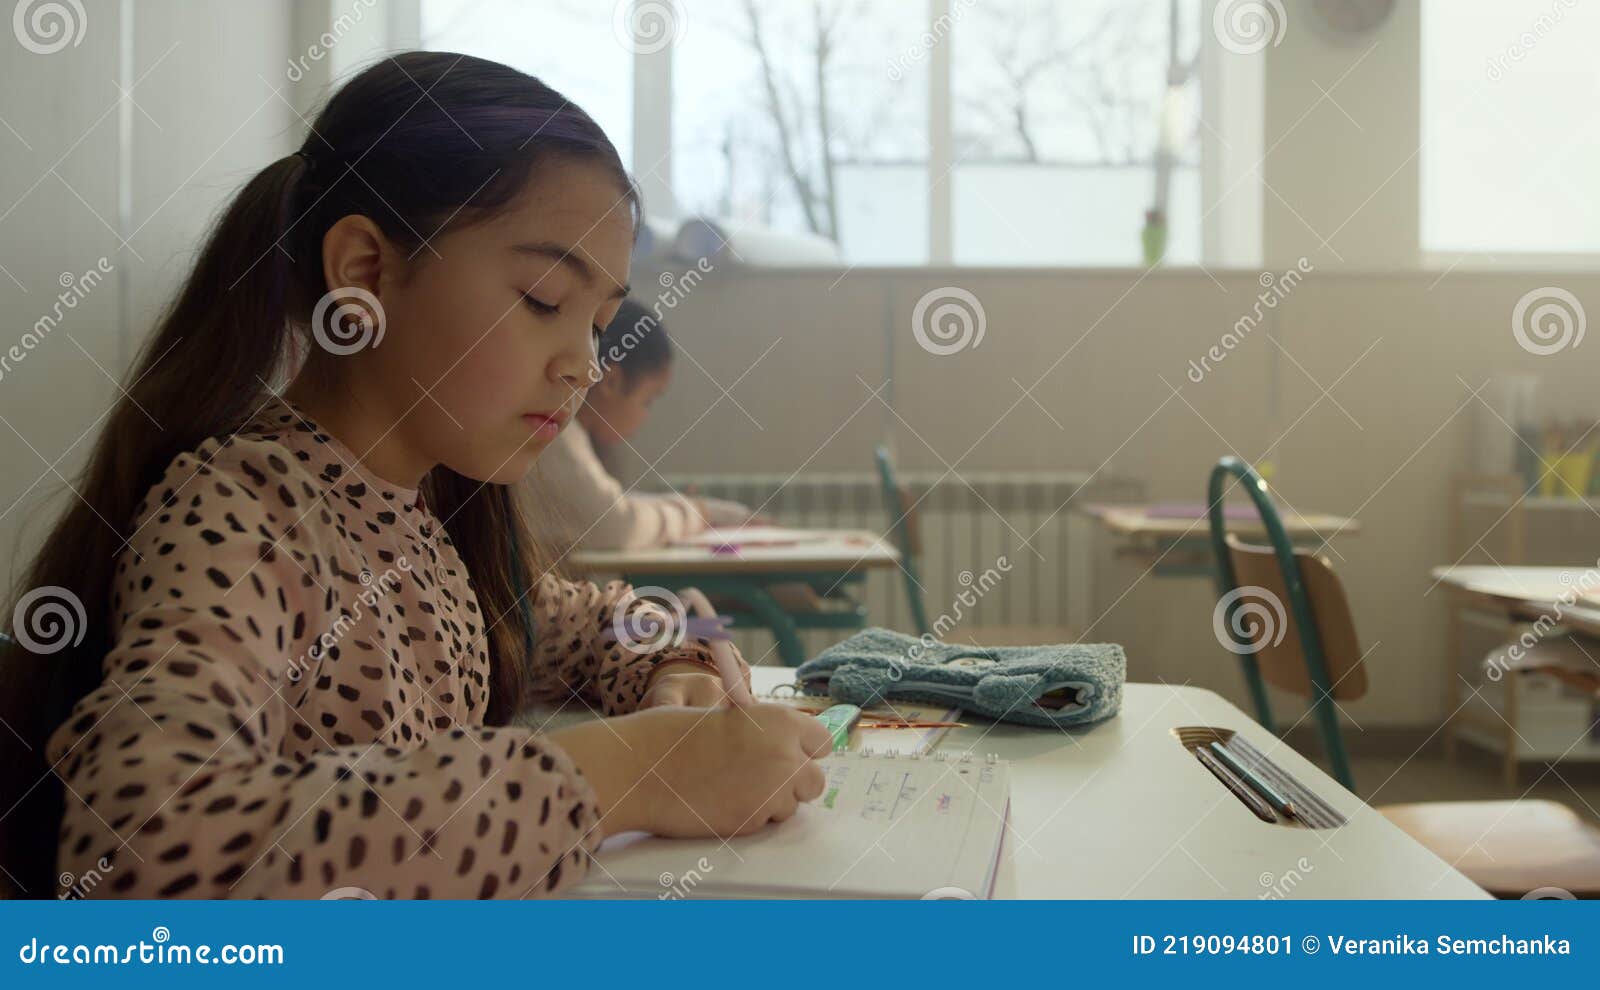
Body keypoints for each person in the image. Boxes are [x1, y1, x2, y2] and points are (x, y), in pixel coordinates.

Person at [0, 53, 829, 900]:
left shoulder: (431, 516)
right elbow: (147, 849)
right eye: (545, 299)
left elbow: (584, 620)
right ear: (364, 272)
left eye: (602, 322)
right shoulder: (243, 511)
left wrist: (673, 661)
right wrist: (634, 771)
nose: (583, 364)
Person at [524, 298, 757, 552]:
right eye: (648, 400)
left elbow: (614, 506)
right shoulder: (557, 433)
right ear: (611, 382)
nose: (646, 416)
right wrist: (699, 513)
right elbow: (618, 525)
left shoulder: (568, 434)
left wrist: (712, 512)